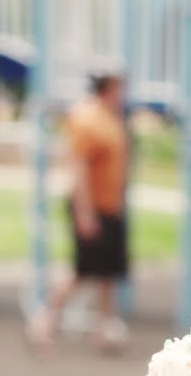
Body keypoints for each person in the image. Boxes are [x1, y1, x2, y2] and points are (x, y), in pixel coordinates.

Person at [28, 71, 129, 354]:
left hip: (108, 205)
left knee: (109, 271)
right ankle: (44, 320)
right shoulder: (88, 120)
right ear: (109, 88)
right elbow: (79, 169)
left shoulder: (110, 118)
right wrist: (84, 212)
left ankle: (106, 329)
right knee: (83, 270)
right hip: (91, 206)